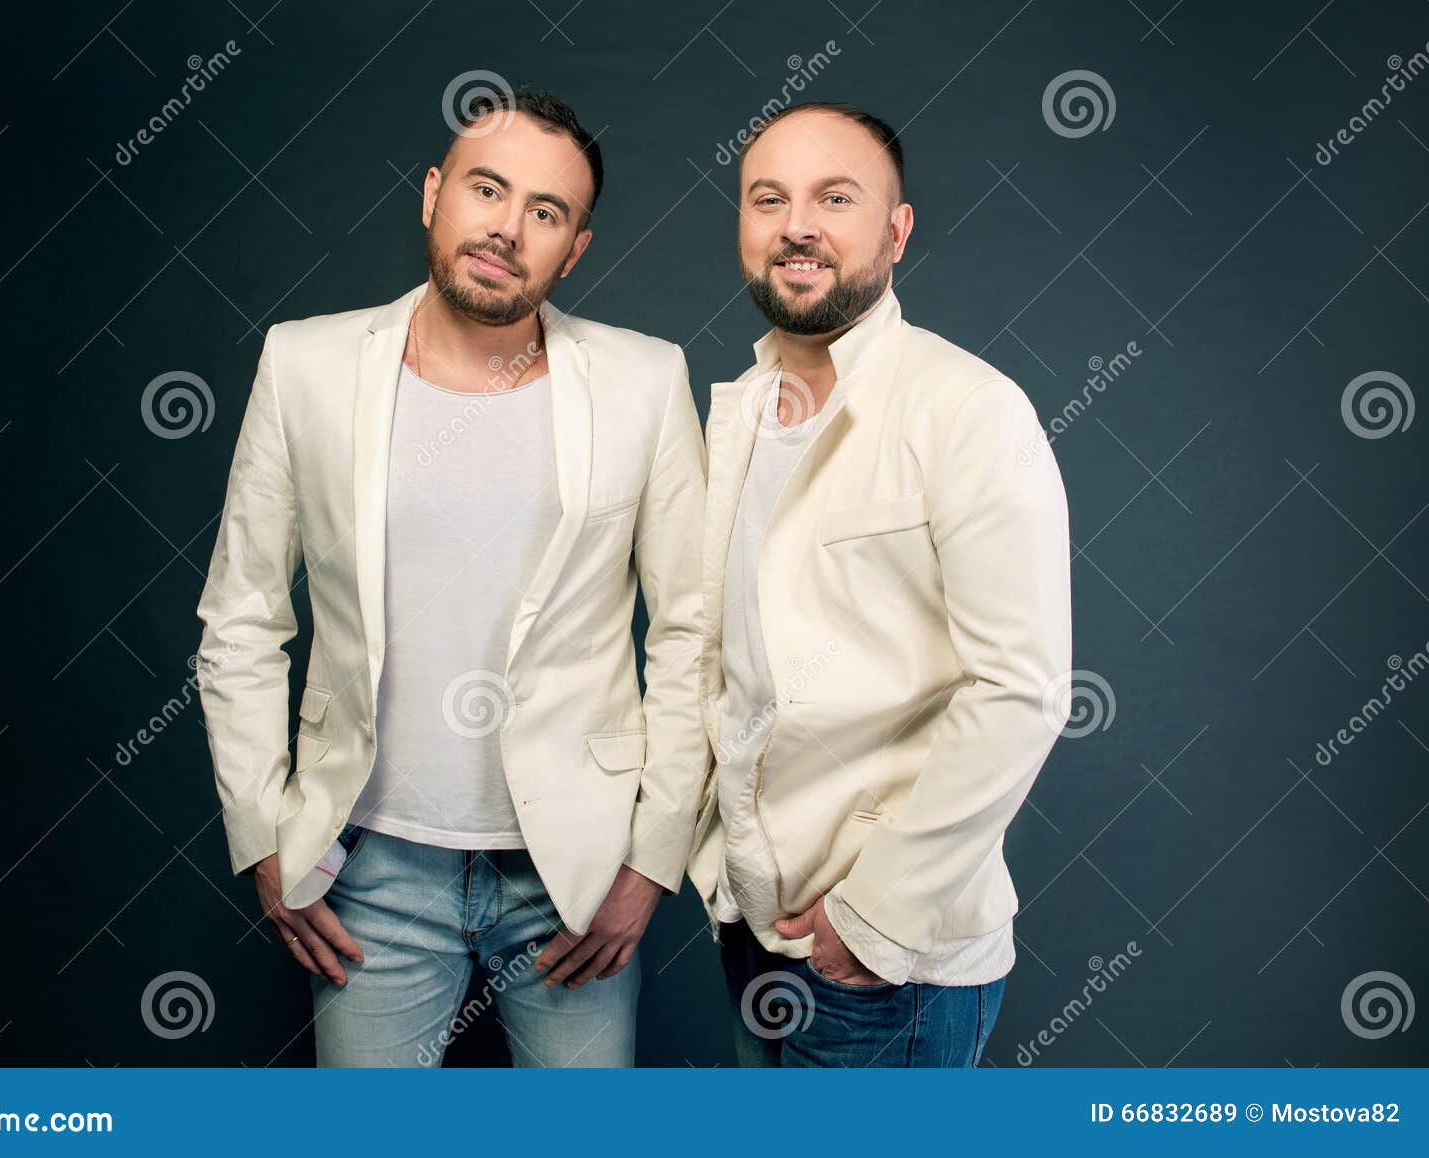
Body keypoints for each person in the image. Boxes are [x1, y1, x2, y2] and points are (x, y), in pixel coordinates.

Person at [195, 86, 708, 1067]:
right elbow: (243, 616)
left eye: (545, 213)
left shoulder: (644, 382)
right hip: (365, 870)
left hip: (575, 870)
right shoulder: (305, 365)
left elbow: (694, 634)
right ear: (435, 194)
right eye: (487, 189)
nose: (508, 229)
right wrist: (263, 835)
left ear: (574, 249)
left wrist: (649, 859)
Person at [686, 102, 1074, 1067]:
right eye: (768, 199)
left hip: (888, 965)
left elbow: (1019, 690)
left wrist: (874, 918)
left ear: (896, 232)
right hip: (755, 933)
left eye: (835, 198)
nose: (796, 225)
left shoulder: (968, 410)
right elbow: (718, 661)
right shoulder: (735, 416)